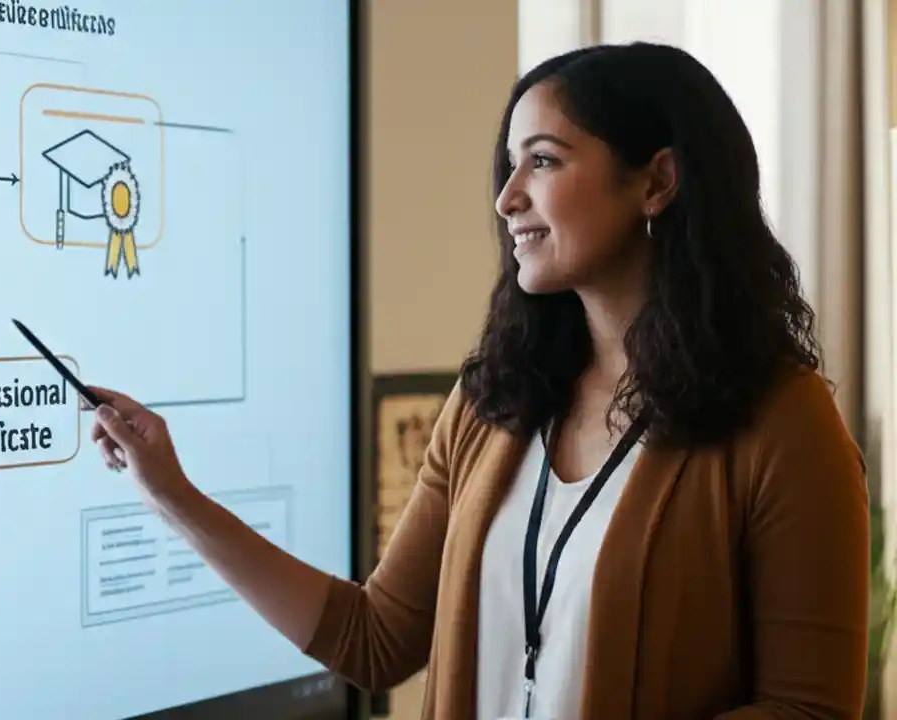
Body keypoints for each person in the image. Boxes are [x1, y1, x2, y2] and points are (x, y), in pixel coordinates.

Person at [87, 41, 870, 720]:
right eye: (509, 165)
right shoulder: (492, 401)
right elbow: (374, 639)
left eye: (544, 160)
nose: (506, 199)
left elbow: (809, 708)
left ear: (656, 181)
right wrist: (173, 495)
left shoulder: (783, 422)